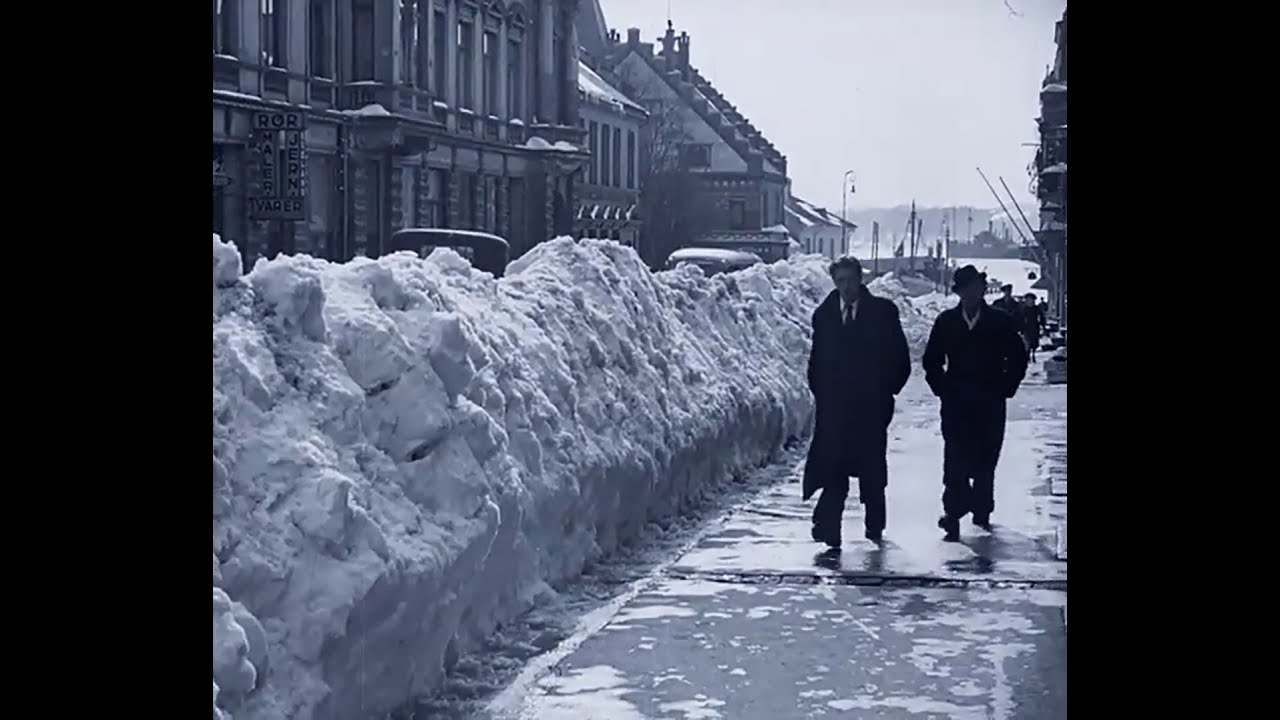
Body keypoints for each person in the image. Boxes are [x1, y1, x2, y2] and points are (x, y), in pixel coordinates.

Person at [802, 257, 911, 547]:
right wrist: (821, 392)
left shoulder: (883, 313)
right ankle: (830, 530)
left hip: (870, 407)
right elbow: (816, 361)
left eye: (852, 280)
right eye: (841, 281)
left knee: (872, 467)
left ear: (860, 279)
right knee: (834, 467)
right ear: (834, 282)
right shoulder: (824, 315)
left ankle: (874, 524)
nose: (847, 287)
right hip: (835, 408)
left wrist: (885, 391)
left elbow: (901, 359)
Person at [922, 265, 1029, 542]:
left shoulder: (1000, 322)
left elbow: (1017, 357)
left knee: (986, 457)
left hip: (990, 401)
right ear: (959, 292)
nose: (972, 293)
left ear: (982, 290)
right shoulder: (947, 321)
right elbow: (931, 360)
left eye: (977, 287)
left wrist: (1007, 387)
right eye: (966, 288)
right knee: (955, 457)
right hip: (956, 402)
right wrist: (942, 388)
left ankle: (981, 509)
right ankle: (953, 513)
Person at [1020, 293, 1043, 362]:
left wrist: (1042, 325)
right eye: (1028, 300)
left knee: (1035, 343)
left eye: (1032, 300)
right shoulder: (1024, 309)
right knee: (1027, 343)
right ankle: (1028, 355)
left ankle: (1033, 354)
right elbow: (1021, 319)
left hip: (1035, 328)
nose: (1031, 302)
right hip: (1026, 329)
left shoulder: (1036, 309)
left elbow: (1041, 317)